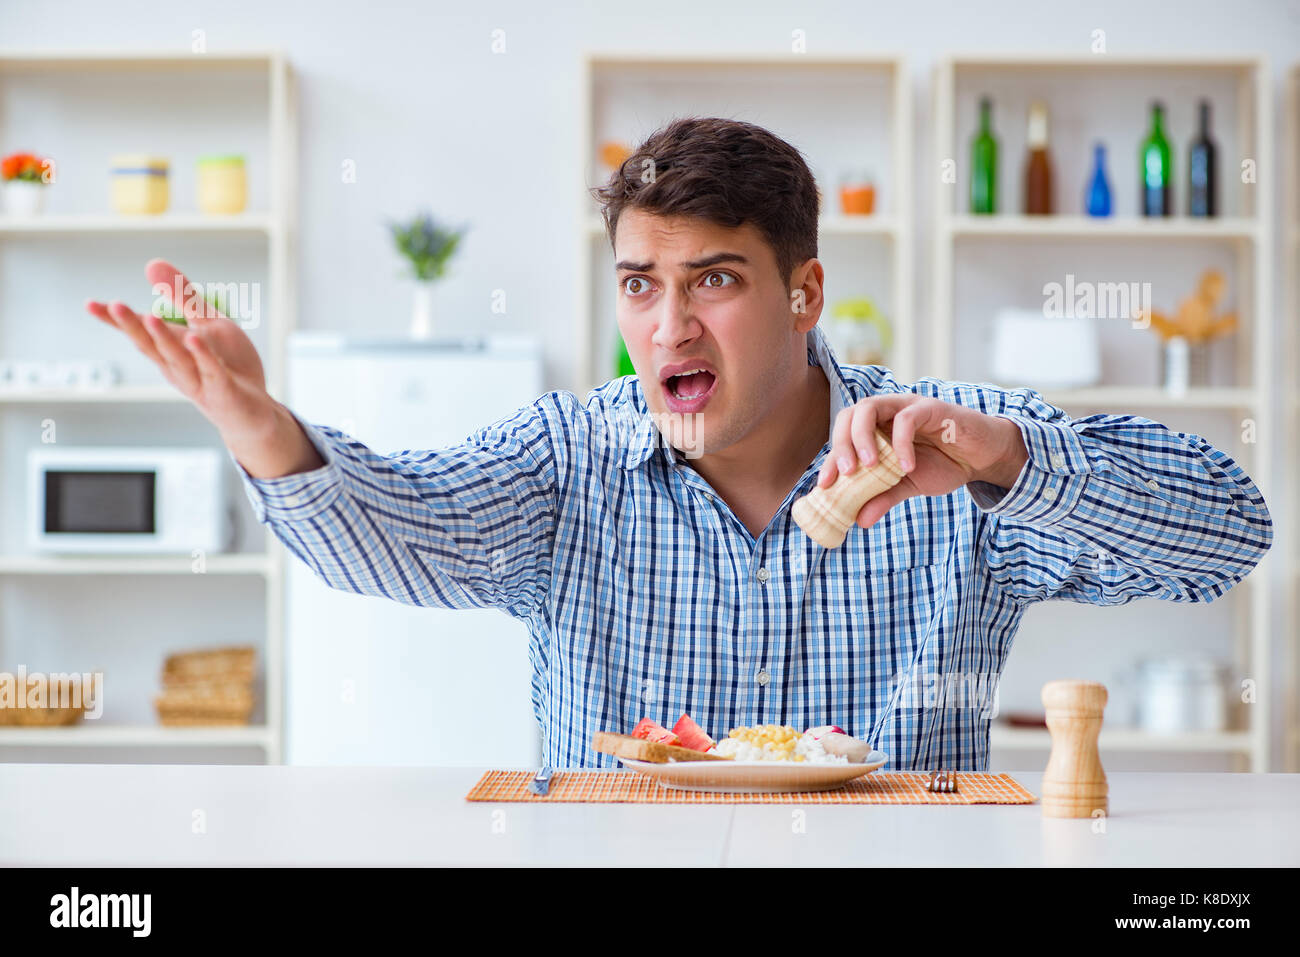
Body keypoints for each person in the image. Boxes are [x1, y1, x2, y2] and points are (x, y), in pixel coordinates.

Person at [86, 116, 1273, 770]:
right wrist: (264, 427)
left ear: (805, 293)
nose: (669, 324)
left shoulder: (945, 451)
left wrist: (1013, 457)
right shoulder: (567, 457)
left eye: (713, 280)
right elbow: (399, 533)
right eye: (639, 285)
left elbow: (1228, 534)